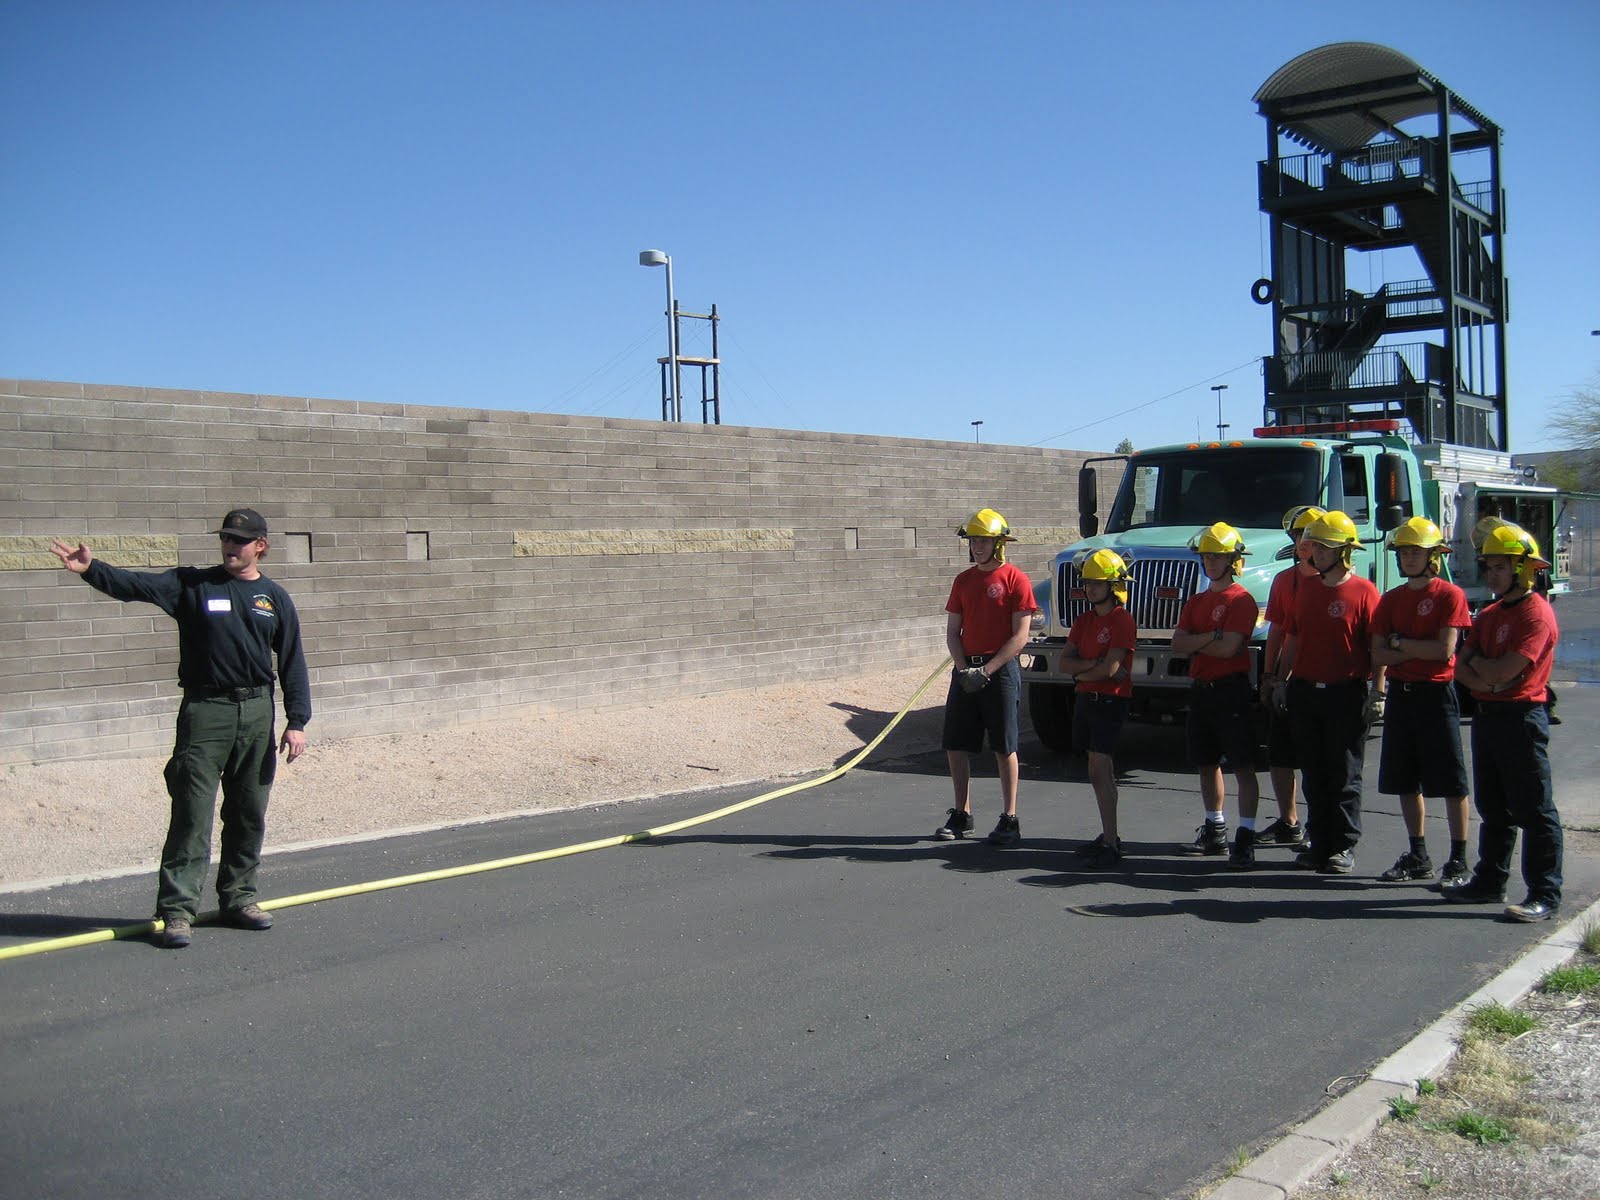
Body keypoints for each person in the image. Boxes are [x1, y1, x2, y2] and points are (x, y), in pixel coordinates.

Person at [50, 508, 312, 949]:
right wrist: (91, 570)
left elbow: (291, 660)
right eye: (226, 538)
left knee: (248, 811)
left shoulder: (274, 598)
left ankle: (239, 898)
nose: (231, 545)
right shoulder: (194, 584)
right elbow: (137, 585)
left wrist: (297, 721)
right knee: (193, 811)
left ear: (260, 546)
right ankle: (176, 910)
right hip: (206, 710)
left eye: (240, 540)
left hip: (256, 712)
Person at [1444, 524, 1563, 922]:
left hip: (1521, 719)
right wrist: (1487, 675)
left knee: (1534, 810)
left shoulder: (1537, 614)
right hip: (1488, 716)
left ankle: (1544, 893)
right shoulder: (1490, 613)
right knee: (1493, 807)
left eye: (1500, 567)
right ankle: (1490, 881)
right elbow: (1462, 668)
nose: (1491, 574)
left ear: (1524, 570)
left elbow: (1504, 671)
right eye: (1489, 567)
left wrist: (1484, 673)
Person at [1368, 517, 1473, 886]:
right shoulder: (1390, 599)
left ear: (1433, 557)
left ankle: (1459, 859)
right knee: (1405, 781)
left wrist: (1399, 643)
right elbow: (1377, 655)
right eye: (1404, 552)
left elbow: (1444, 652)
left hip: (1435, 697)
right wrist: (1410, 650)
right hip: (1401, 696)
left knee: (1450, 782)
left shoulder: (1450, 595)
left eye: (1416, 552)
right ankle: (1418, 853)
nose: (1409, 558)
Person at [1278, 510, 1379, 875]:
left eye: (1323, 547)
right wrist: (1279, 678)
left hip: (1345, 693)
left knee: (1345, 773)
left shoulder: (1364, 591)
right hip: (1305, 691)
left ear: (1344, 551)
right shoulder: (1305, 589)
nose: (1315, 552)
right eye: (1313, 546)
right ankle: (1319, 842)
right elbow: (1292, 637)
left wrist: (1378, 691)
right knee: (1314, 772)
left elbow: (1376, 644)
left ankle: (1343, 845)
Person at [935, 508, 1039, 846]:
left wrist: (987, 670)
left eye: (984, 540)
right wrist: (964, 668)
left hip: (1001, 671)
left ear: (999, 543)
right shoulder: (962, 581)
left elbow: (1020, 636)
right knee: (956, 744)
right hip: (966, 671)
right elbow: (953, 631)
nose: (978, 546)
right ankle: (961, 814)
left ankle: (1009, 818)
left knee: (1004, 745)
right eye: (974, 540)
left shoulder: (1015, 580)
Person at [1171, 523, 1262, 868]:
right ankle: (1216, 829)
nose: (1210, 562)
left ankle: (1246, 837)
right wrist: (1213, 635)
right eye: (1207, 555)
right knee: (1206, 764)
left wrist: (1203, 639)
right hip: (1202, 691)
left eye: (1218, 556)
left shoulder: (1242, 600)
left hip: (1230, 690)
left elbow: (1229, 650)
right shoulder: (1196, 601)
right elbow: (1178, 644)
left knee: (1242, 766)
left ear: (1233, 560)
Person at [1060, 548, 1136, 868]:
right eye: (1089, 582)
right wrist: (1088, 668)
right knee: (1098, 771)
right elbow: (1065, 664)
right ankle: (1110, 837)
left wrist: (1084, 670)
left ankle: (1111, 842)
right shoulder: (1083, 620)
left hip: (1109, 701)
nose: (1091, 588)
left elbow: (1113, 670)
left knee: (1099, 771)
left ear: (1114, 585)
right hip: (1086, 698)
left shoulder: (1122, 620)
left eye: (1099, 583)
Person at [1254, 505, 1323, 851]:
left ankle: (1319, 825)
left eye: (1310, 537)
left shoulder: (1337, 583)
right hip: (1286, 680)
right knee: (1280, 756)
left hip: (1319, 681)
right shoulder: (1284, 580)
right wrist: (1269, 676)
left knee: (1315, 760)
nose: (1303, 544)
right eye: (1298, 537)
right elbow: (1277, 629)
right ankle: (1289, 821)